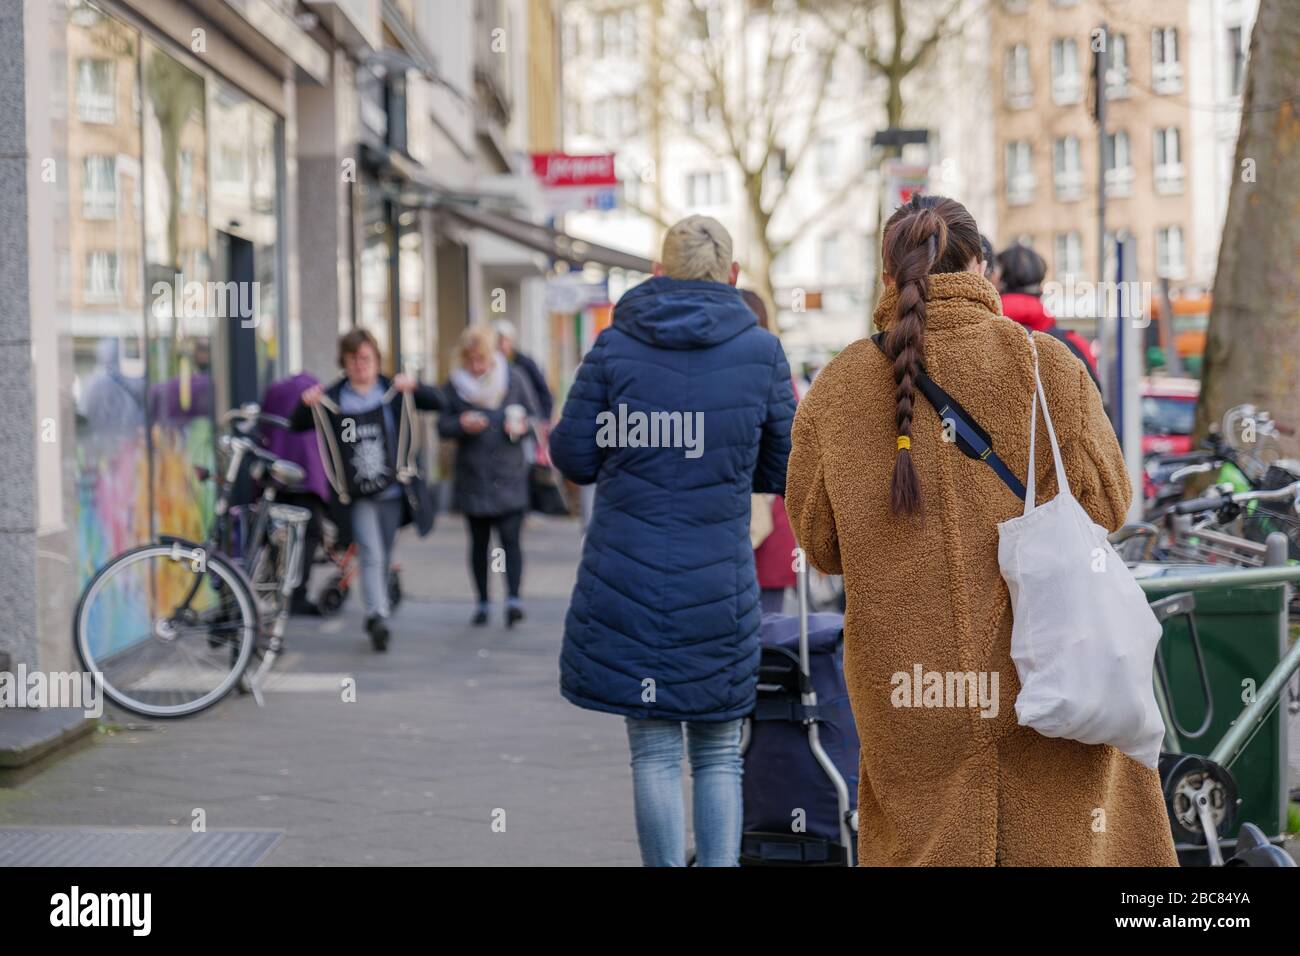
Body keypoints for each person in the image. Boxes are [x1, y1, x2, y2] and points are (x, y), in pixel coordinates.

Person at [784, 193, 1176, 866]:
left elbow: (820, 544)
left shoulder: (842, 384)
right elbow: (1108, 503)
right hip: (1047, 673)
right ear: (984, 267)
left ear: (889, 274)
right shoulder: (1046, 363)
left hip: (909, 687)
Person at [550, 215, 796, 867]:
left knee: (654, 751)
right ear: (733, 276)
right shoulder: (762, 352)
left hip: (625, 578)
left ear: (657, 274)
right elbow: (784, 468)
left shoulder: (615, 346)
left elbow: (573, 455)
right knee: (719, 754)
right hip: (720, 581)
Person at [291, 329, 444, 651]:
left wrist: (414, 385)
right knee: (370, 552)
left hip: (393, 491)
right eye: (353, 359)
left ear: (376, 360)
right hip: (354, 494)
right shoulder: (333, 397)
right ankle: (377, 615)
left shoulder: (392, 391)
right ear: (343, 362)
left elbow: (439, 402)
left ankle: (379, 607)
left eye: (366, 359)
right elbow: (298, 423)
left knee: (384, 552)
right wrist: (307, 403)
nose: (360, 365)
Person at [439, 325, 539, 628]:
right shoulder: (455, 386)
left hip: (509, 474)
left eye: (481, 360)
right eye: (470, 361)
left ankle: (513, 600)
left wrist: (522, 429)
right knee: (479, 543)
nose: (476, 367)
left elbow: (535, 418)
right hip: (474, 476)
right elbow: (442, 426)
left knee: (511, 540)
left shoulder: (513, 378)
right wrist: (460, 424)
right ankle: (482, 602)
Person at [739, 289, 797, 615]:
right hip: (774, 520)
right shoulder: (777, 373)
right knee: (769, 631)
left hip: (739, 524)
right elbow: (794, 448)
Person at [262, 371, 331, 616]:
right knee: (310, 534)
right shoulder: (316, 389)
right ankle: (297, 593)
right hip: (307, 473)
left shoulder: (273, 392)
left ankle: (278, 588)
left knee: (275, 534)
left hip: (278, 470)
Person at [996, 243, 1101, 389]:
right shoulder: (1073, 344)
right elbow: (1097, 404)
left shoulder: (980, 340)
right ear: (1040, 285)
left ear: (997, 282)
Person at [493, 319, 554, 422]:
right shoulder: (491, 365)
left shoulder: (525, 363)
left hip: (525, 417)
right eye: (499, 341)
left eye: (506, 340)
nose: (502, 345)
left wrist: (544, 419)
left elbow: (543, 391)